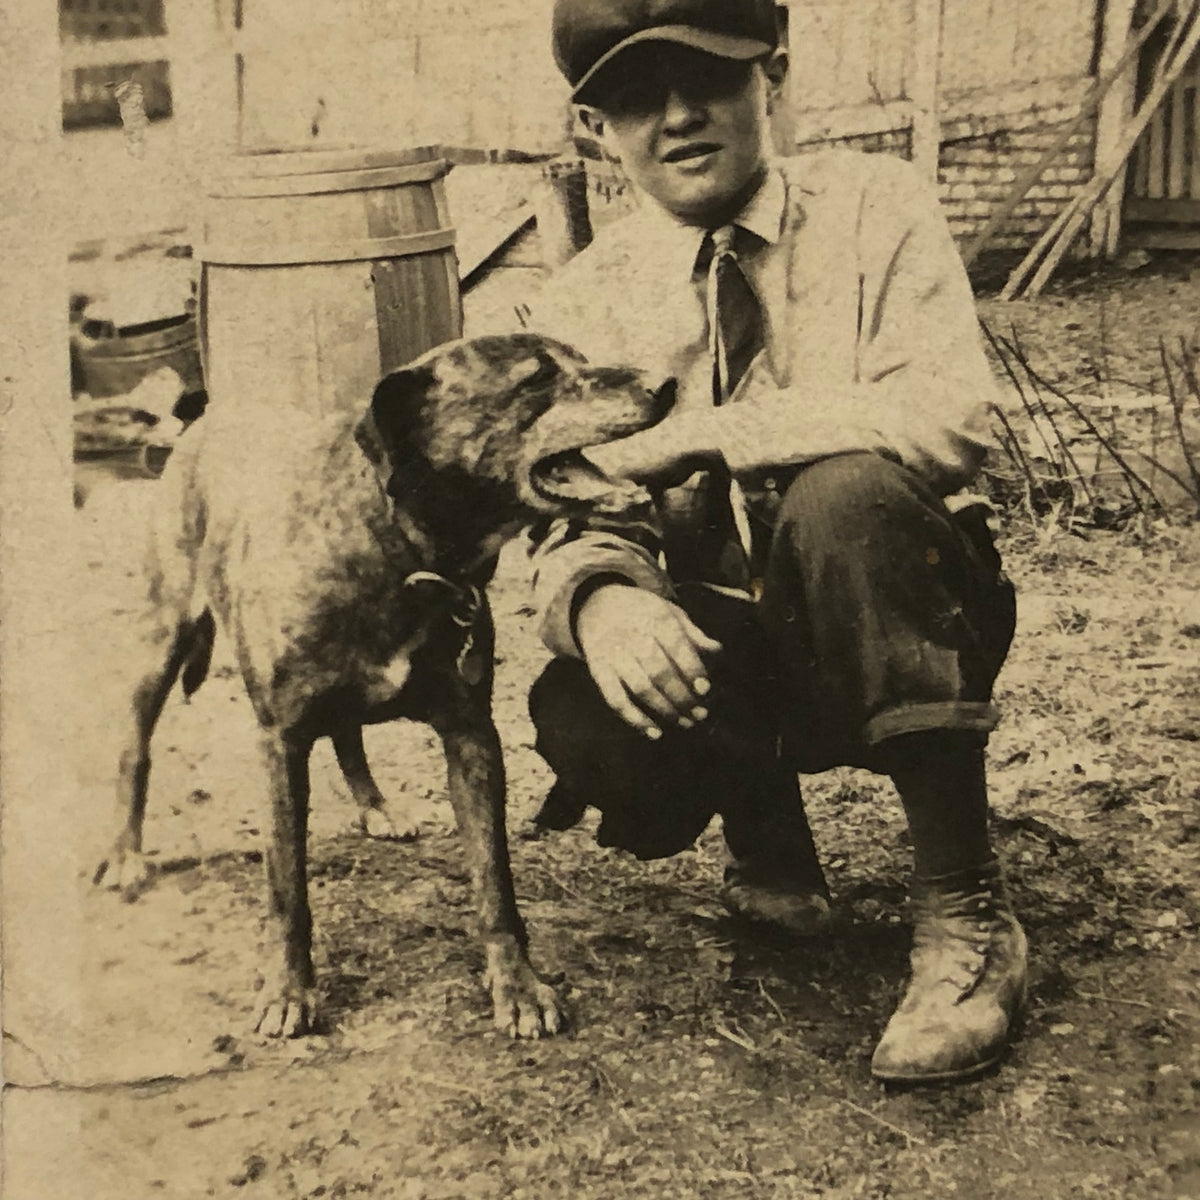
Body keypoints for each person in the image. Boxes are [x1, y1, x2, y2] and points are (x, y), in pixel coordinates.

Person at [522, 0, 1023, 1085]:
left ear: (775, 74)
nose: (676, 118)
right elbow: (566, 506)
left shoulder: (877, 207)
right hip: (739, 644)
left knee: (843, 495)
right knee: (582, 699)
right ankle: (767, 836)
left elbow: (950, 419)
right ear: (594, 126)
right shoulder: (583, 301)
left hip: (908, 604)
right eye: (635, 96)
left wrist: (707, 435)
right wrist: (605, 598)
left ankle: (965, 913)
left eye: (706, 78)